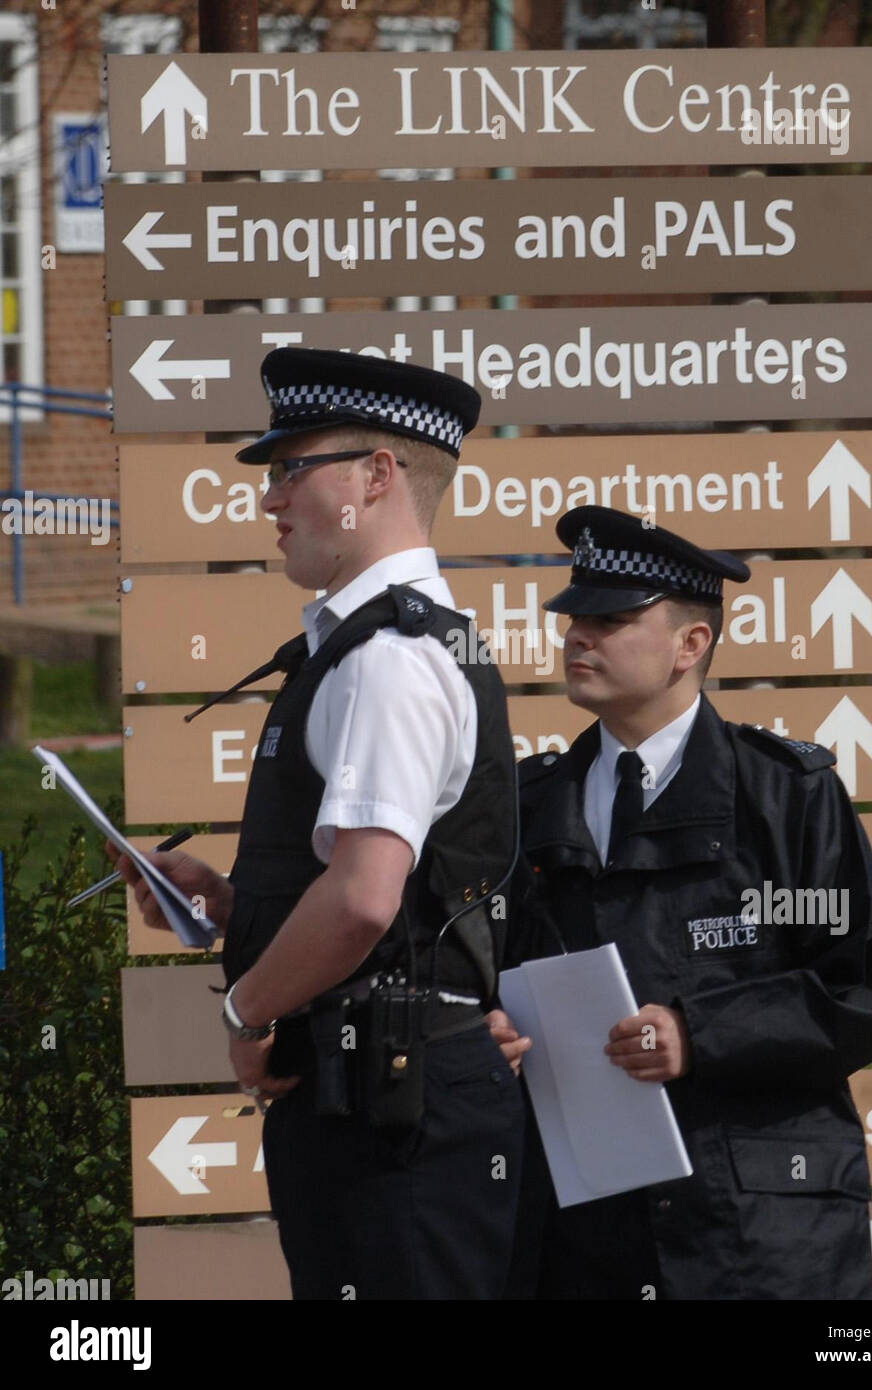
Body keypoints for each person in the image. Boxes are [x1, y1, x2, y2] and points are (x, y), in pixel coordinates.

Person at [117, 347, 524, 1300]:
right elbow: (378, 892)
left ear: (378, 475)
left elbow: (363, 900)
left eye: (292, 468)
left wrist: (244, 1010)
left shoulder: (387, 657)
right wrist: (230, 903)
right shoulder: (385, 644)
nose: (270, 498)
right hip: (380, 1085)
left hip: (393, 1100)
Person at [498, 505, 872, 1300]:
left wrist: (698, 1032)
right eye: (573, 616)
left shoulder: (786, 795)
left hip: (759, 1233)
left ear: (693, 644)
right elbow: (491, 972)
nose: (579, 635)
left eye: (610, 618)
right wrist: (493, 1029)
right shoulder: (531, 804)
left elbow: (860, 993)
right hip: (587, 1231)